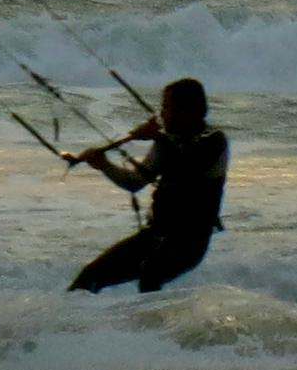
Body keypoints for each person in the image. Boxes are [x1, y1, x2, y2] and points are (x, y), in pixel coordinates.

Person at [67, 76, 227, 294]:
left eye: (166, 108)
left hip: (190, 241)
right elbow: (134, 183)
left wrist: (158, 137)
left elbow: (188, 166)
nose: (161, 115)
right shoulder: (168, 141)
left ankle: (152, 327)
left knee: (151, 272)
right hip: (155, 235)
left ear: (188, 111)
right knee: (88, 278)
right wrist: (104, 165)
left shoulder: (214, 141)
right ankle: (71, 327)